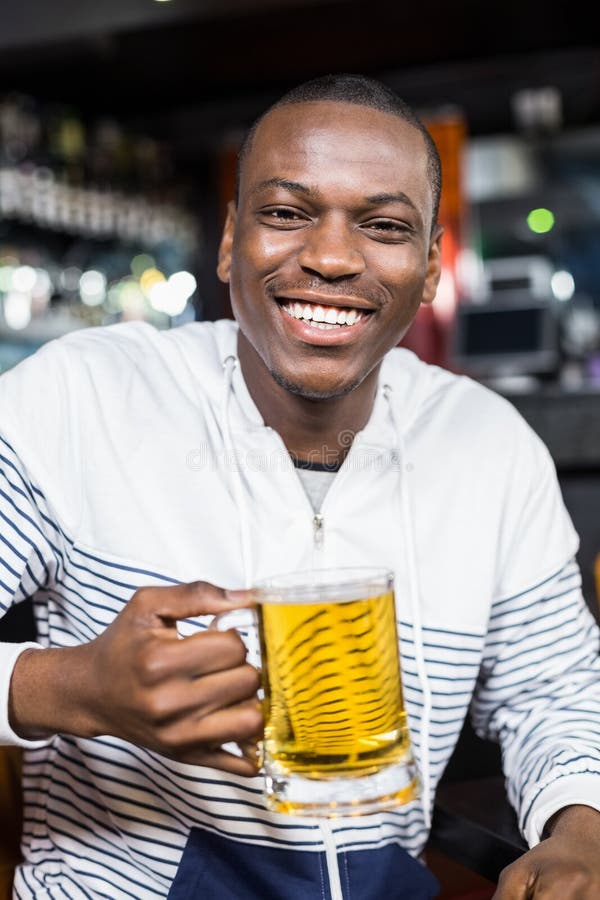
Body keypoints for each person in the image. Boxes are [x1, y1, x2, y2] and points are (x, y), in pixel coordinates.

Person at [1, 72, 600, 900]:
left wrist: (582, 828)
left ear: (430, 269)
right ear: (227, 241)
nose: (329, 257)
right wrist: (65, 689)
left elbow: (557, 691)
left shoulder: (489, 444)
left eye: (385, 226)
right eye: (285, 213)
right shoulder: (81, 396)